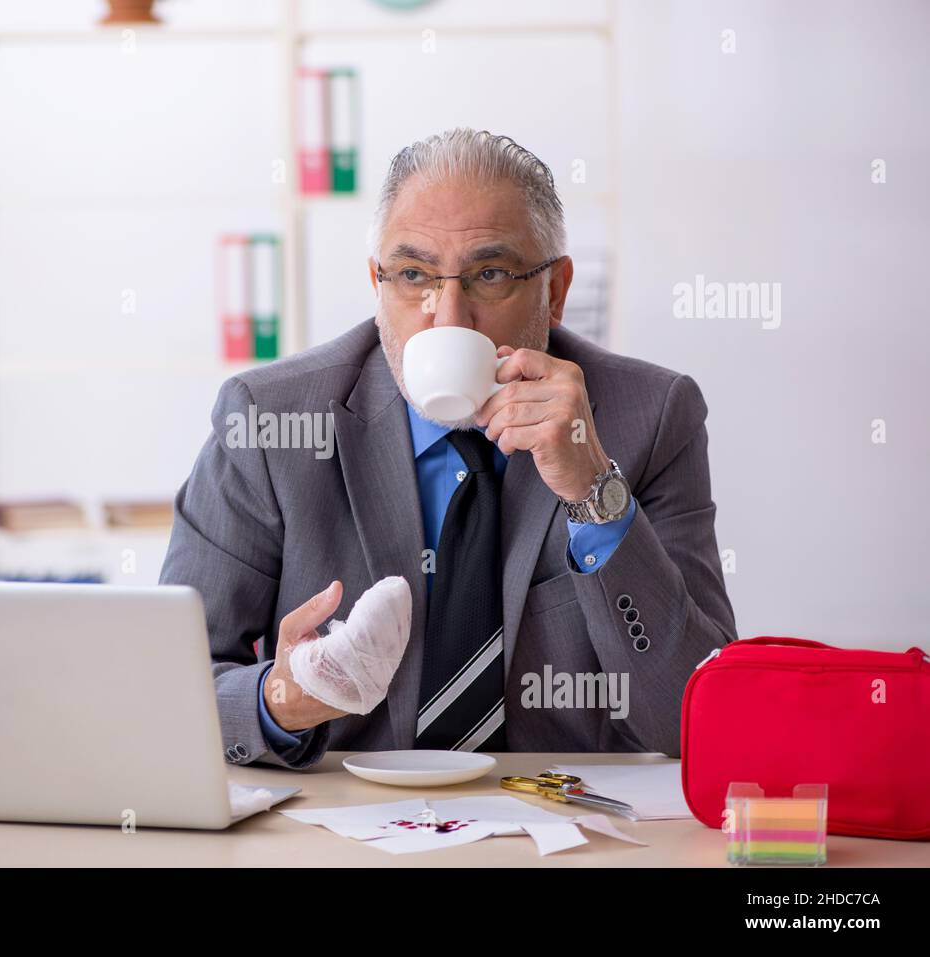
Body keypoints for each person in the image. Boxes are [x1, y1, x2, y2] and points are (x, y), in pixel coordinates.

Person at [159, 128, 736, 767]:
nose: (449, 316)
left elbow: (701, 722)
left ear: (557, 291)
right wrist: (282, 698)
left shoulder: (649, 417)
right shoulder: (268, 422)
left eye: (489, 274)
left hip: (565, 831)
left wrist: (594, 494)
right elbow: (158, 695)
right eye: (413, 275)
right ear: (377, 283)